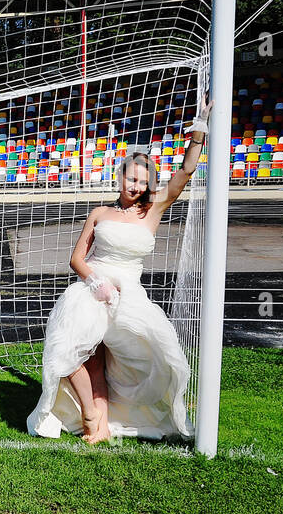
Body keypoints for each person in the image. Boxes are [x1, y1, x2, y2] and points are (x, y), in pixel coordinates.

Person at [27, 98, 212, 443]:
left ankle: (123, 414)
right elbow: (76, 259)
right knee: (73, 350)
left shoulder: (154, 209)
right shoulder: (98, 213)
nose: (136, 186)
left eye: (143, 181)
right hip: (92, 288)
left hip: (130, 295)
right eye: (131, 178)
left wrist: (199, 128)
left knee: (153, 357)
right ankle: (92, 416)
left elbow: (186, 171)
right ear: (121, 176)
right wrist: (96, 283)